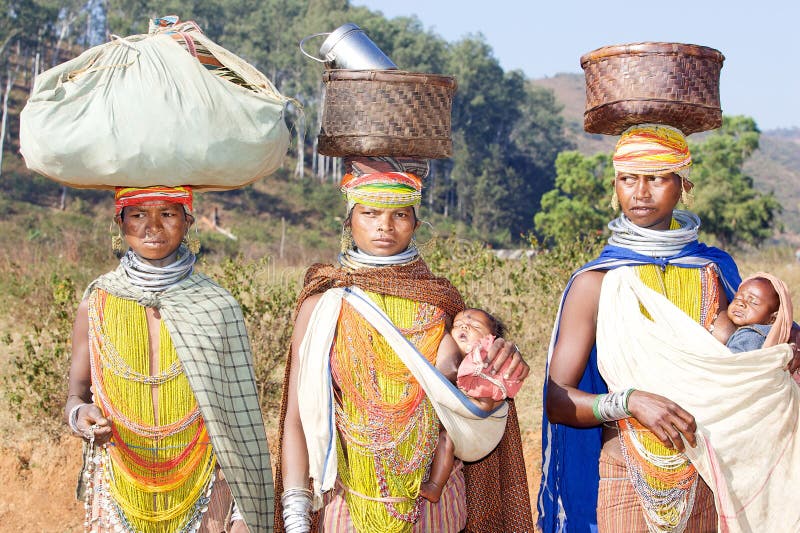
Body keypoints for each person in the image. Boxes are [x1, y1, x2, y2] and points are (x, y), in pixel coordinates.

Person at [275, 157, 534, 533]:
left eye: (399, 214)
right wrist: (296, 514)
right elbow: (297, 417)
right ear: (349, 221)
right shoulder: (323, 303)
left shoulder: (439, 302)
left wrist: (503, 361)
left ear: (415, 224)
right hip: (347, 502)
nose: (384, 226)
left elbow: (471, 385)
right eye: (370, 213)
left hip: (434, 509)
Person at [537, 124, 746, 532]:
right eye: (628, 179)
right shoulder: (597, 282)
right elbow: (558, 400)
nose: (641, 193)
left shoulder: (712, 273)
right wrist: (629, 402)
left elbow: (743, 356)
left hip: (709, 474)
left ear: (683, 185)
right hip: (626, 478)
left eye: (656, 178)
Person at [64, 186, 273, 533]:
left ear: (187, 222)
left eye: (167, 214)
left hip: (205, 490)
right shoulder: (97, 303)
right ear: (120, 223)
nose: (153, 227)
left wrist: (242, 515)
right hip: (119, 489)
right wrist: (80, 417)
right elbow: (76, 395)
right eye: (138, 215)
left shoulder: (217, 306)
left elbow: (241, 418)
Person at [420, 308, 524, 504]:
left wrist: (471, 394)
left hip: (476, 424)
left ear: (491, 339)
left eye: (475, 326)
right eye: (458, 325)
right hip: (453, 421)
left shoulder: (486, 361)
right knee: (444, 441)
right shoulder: (444, 353)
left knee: (446, 440)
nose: (464, 326)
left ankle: (435, 486)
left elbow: (488, 402)